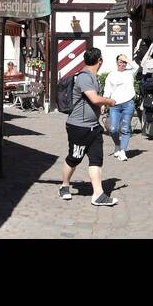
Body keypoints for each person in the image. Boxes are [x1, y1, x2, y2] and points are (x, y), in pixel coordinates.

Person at [59, 47, 119, 206]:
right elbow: (93, 98)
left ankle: (98, 194)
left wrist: (101, 106)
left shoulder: (93, 77)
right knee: (74, 158)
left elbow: (92, 102)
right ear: (99, 60)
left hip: (94, 127)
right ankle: (65, 185)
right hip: (78, 127)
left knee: (96, 160)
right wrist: (108, 101)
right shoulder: (85, 77)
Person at [102, 52, 139, 160]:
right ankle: (117, 145)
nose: (122, 64)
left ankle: (123, 151)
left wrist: (127, 60)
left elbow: (136, 66)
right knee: (113, 129)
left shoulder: (130, 73)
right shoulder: (112, 74)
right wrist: (104, 103)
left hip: (128, 104)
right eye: (120, 62)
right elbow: (107, 90)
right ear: (116, 63)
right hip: (115, 105)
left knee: (125, 128)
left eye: (123, 62)